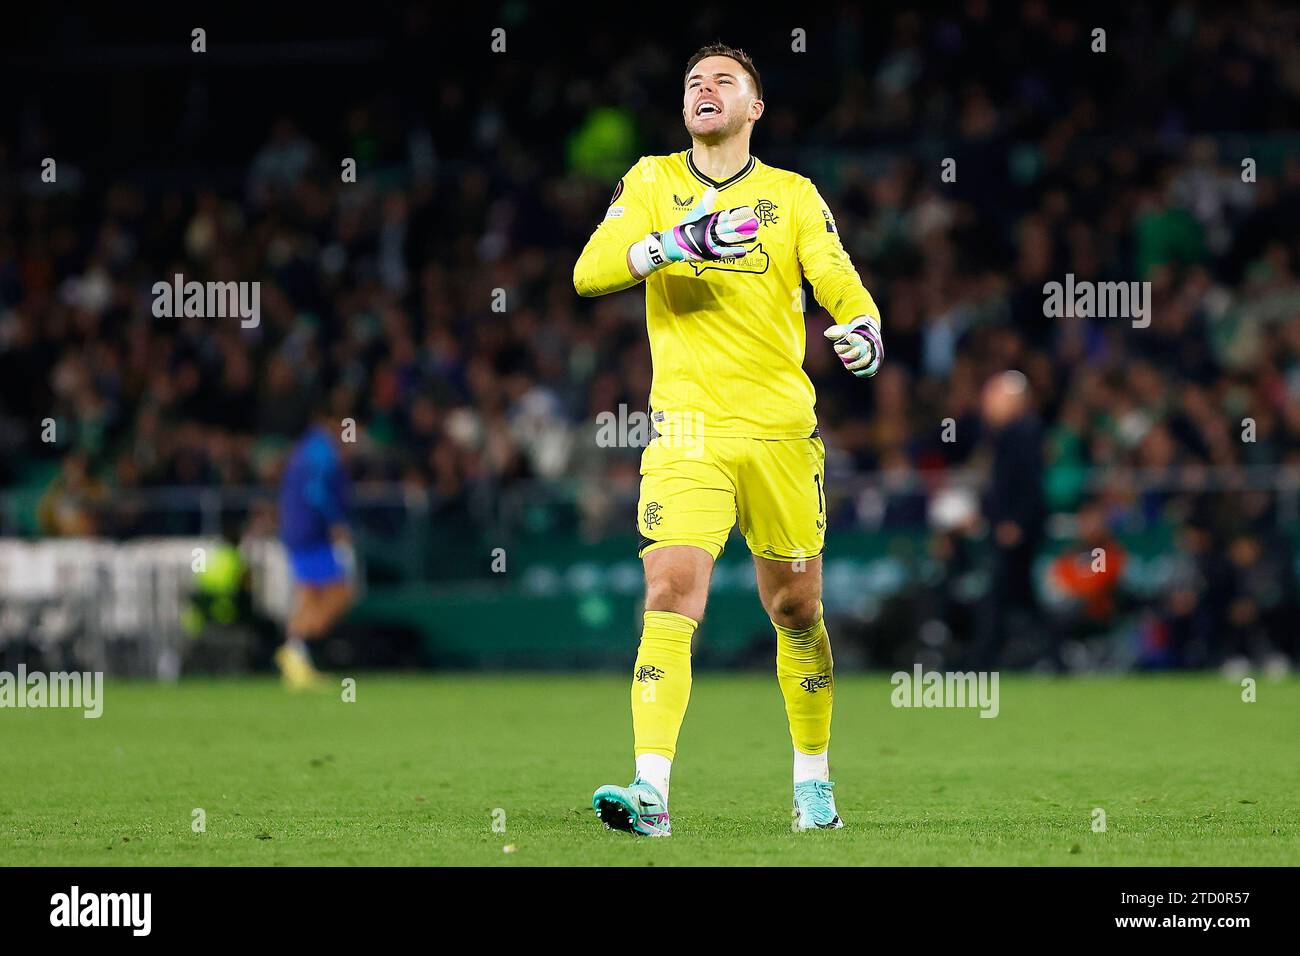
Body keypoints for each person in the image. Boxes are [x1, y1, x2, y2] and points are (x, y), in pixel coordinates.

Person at [573, 43, 883, 836]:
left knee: (796, 608)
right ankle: (652, 794)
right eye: (692, 83)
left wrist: (864, 330)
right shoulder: (650, 182)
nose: (704, 90)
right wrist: (674, 245)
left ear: (755, 108)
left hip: (781, 433)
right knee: (671, 589)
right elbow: (590, 271)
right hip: (685, 431)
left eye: (723, 82)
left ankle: (813, 781)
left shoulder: (792, 195)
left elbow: (839, 282)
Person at [968, 371, 1049, 670]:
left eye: (994, 397)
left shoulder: (1024, 432)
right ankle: (1052, 657)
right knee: (1019, 596)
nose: (987, 404)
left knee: (1000, 597)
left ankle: (982, 662)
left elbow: (1029, 484)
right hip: (1008, 527)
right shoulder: (1005, 434)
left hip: (1015, 531)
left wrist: (1015, 522)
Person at [277, 414, 355, 689]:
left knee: (309, 595)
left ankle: (297, 660)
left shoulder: (304, 449)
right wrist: (335, 523)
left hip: (295, 531)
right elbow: (317, 491)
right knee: (341, 592)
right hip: (312, 534)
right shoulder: (322, 451)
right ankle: (296, 648)